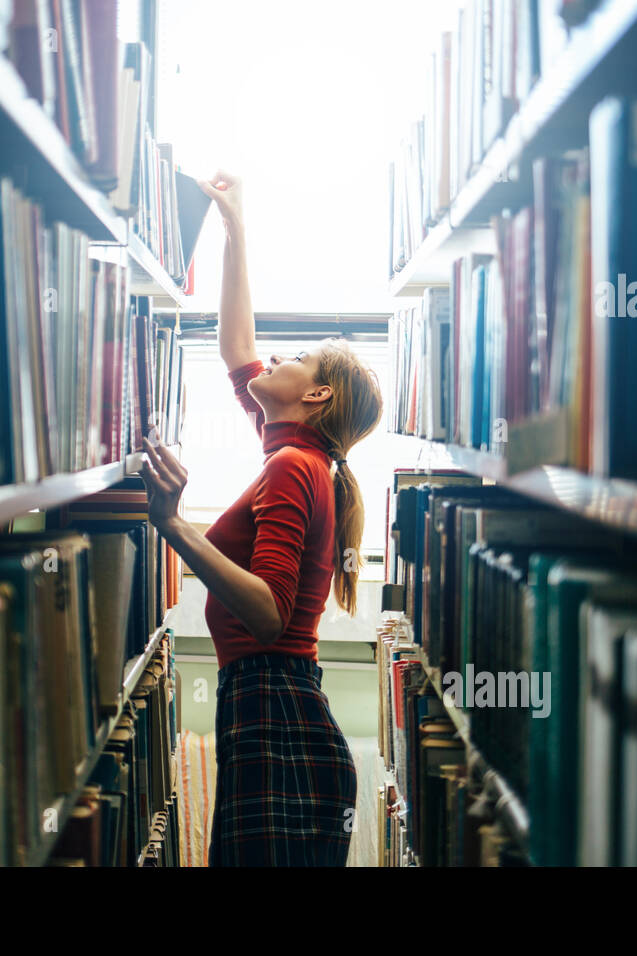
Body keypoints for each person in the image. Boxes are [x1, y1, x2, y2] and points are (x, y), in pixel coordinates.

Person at [139, 171, 385, 866]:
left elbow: (271, 614)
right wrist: (235, 227)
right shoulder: (296, 449)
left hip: (275, 714)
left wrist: (174, 526)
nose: (273, 358)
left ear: (313, 393)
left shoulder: (292, 467)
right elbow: (236, 346)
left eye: (296, 358)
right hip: (277, 711)